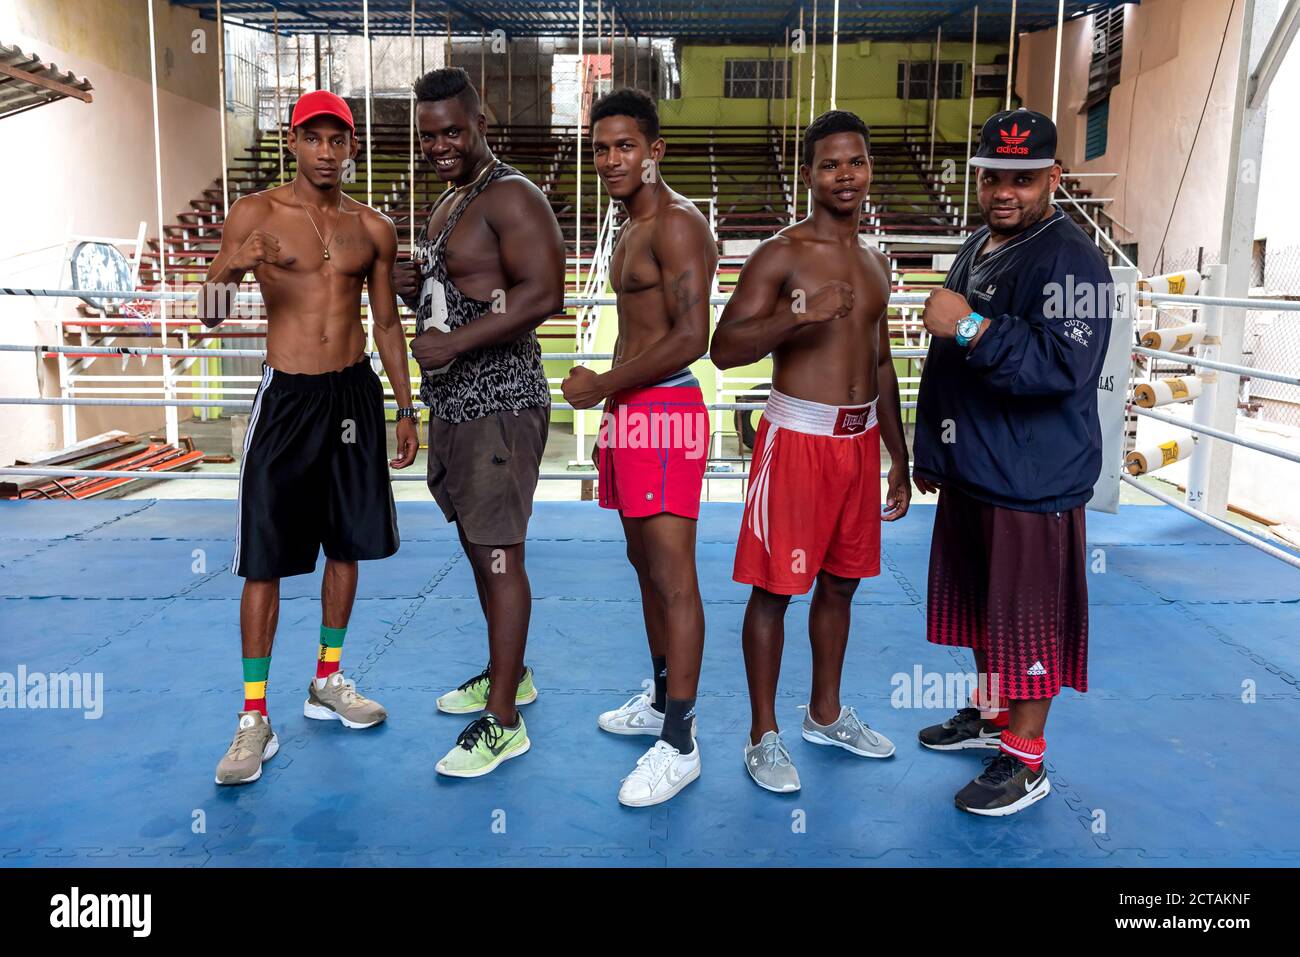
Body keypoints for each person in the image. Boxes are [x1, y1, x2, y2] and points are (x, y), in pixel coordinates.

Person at [203, 90, 419, 786]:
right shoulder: (256, 213)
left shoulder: (372, 228)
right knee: (263, 557)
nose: (327, 151)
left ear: (351, 147)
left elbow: (387, 323)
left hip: (353, 393)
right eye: (314, 138)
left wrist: (406, 407)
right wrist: (235, 264)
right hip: (288, 397)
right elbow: (208, 313)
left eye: (338, 140)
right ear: (291, 141)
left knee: (348, 541)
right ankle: (253, 718)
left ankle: (328, 679)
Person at [912, 108, 1112, 816]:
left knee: (1025, 621)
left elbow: (1064, 365)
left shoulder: (1074, 260)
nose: (1005, 190)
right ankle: (993, 716)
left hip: (1034, 480)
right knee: (983, 612)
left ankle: (1027, 760)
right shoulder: (979, 244)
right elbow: (948, 363)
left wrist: (969, 323)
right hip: (975, 469)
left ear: (1053, 178)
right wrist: (933, 449)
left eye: (1023, 179)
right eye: (994, 175)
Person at [710, 110, 911, 794]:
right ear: (808, 175)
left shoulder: (876, 264)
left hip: (858, 447)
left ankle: (824, 713)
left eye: (854, 161)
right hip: (795, 440)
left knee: (842, 582)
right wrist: (799, 313)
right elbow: (725, 349)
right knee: (774, 590)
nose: (844, 175)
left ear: (869, 168)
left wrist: (899, 456)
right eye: (830, 164)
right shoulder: (781, 253)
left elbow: (881, 363)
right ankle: (762, 734)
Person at [392, 68, 565, 778]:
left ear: (481, 120)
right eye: (429, 135)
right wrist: (416, 291)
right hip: (455, 406)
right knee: (476, 546)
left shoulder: (511, 195)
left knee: (501, 554)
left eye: (453, 131)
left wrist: (457, 344)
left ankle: (504, 719)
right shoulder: (449, 202)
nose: (440, 145)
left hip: (501, 401)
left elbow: (544, 292)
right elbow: (457, 301)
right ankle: (510, 672)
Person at [562, 88, 717, 807]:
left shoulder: (678, 225)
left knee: (674, 574)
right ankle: (662, 700)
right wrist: (611, 393)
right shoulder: (628, 226)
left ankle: (680, 740)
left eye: (626, 146)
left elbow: (694, 338)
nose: (612, 159)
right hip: (630, 411)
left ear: (656, 151)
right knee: (643, 565)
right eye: (601, 148)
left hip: (664, 410)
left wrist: (603, 383)